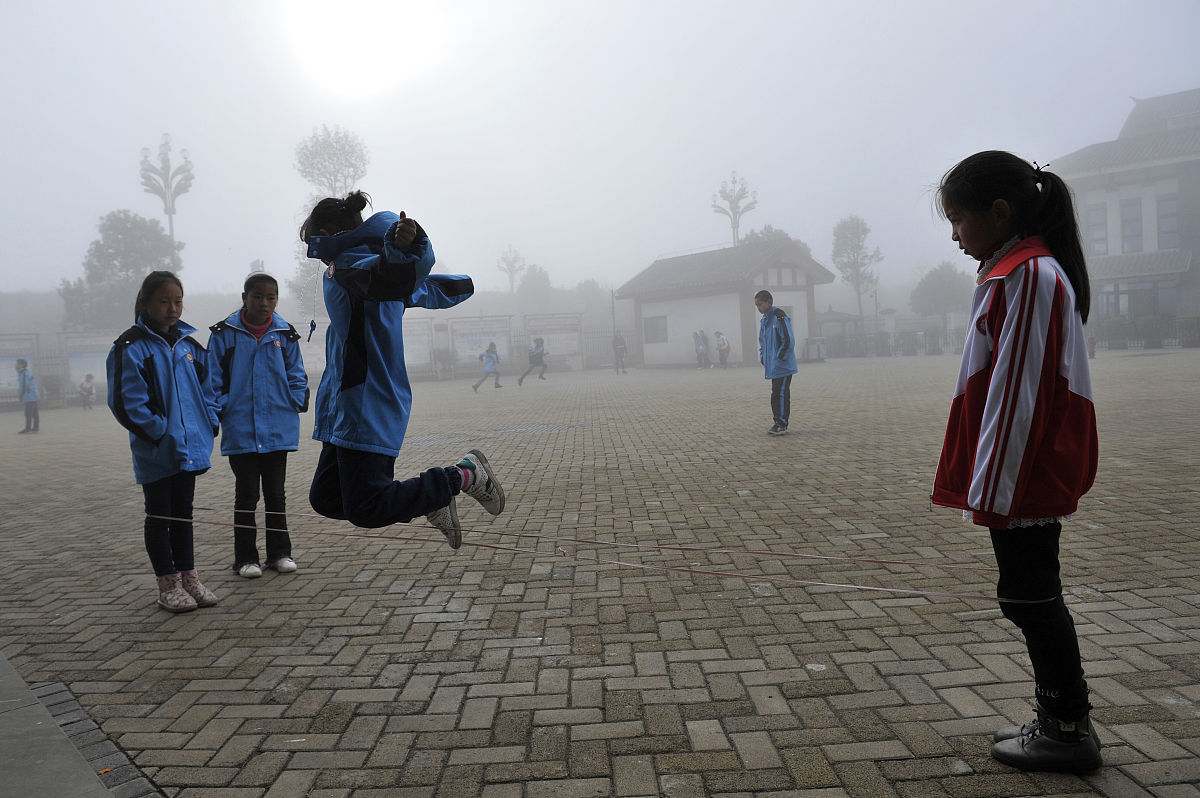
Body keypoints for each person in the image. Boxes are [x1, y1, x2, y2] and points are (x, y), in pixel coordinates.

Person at [932, 151, 1100, 773]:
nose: (954, 234)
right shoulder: (1017, 270)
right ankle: (1060, 719)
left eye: (957, 218)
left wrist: (995, 492)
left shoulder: (1028, 275)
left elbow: (1018, 393)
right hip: (1020, 471)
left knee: (1031, 598)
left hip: (1025, 472)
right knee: (1027, 595)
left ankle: (1066, 728)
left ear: (998, 212)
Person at [301, 191, 505, 549]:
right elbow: (421, 287)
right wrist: (460, 283)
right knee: (326, 498)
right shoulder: (365, 269)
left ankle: (463, 477)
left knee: (367, 508)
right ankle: (432, 498)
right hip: (343, 408)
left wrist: (405, 250)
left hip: (367, 404)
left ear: (328, 234)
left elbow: (391, 277)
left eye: (314, 242)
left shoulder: (348, 268)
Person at [107, 271, 220, 613]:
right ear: (145, 302)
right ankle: (167, 584)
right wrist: (161, 434)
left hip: (191, 449)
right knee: (159, 516)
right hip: (157, 452)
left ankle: (189, 578)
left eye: (178, 301)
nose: (173, 309)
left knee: (183, 515)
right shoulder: (130, 347)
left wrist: (209, 422)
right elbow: (126, 403)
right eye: (164, 301)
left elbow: (210, 388)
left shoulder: (190, 346)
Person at [208, 273, 309, 579]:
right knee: (247, 495)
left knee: (276, 495)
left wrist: (294, 398)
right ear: (244, 298)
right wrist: (220, 408)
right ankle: (245, 559)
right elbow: (212, 379)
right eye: (257, 297)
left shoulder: (285, 334)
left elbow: (297, 374)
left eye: (271, 297)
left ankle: (280, 554)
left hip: (278, 428)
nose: (264, 303)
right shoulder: (223, 335)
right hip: (241, 429)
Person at [754, 291, 797, 435]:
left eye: (760, 304)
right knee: (775, 395)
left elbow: (788, 341)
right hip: (773, 366)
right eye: (757, 306)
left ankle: (782, 424)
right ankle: (777, 422)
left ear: (769, 302)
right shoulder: (765, 320)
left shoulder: (780, 317)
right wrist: (763, 357)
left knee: (782, 395)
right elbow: (763, 342)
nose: (758, 308)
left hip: (783, 366)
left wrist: (779, 358)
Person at [15, 358, 40, 433]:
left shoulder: (24, 373)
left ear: (22, 365)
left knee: (28, 413)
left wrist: (20, 396)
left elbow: (24, 386)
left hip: (30, 396)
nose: (15, 365)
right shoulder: (25, 372)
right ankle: (36, 428)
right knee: (34, 412)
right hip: (32, 395)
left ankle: (28, 429)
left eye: (17, 364)